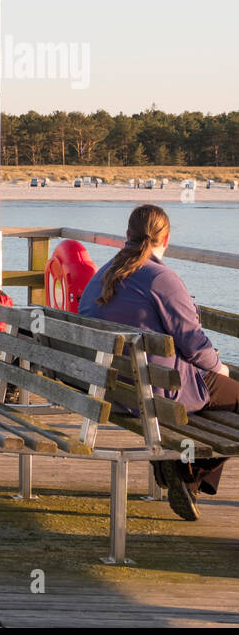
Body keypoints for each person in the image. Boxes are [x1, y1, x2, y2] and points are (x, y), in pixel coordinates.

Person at [79, 204, 236, 521]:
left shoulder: (102, 275)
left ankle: (182, 465)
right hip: (160, 393)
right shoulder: (161, 278)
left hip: (114, 388)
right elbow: (195, 346)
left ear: (127, 236)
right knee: (232, 393)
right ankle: (187, 472)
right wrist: (221, 368)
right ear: (165, 239)